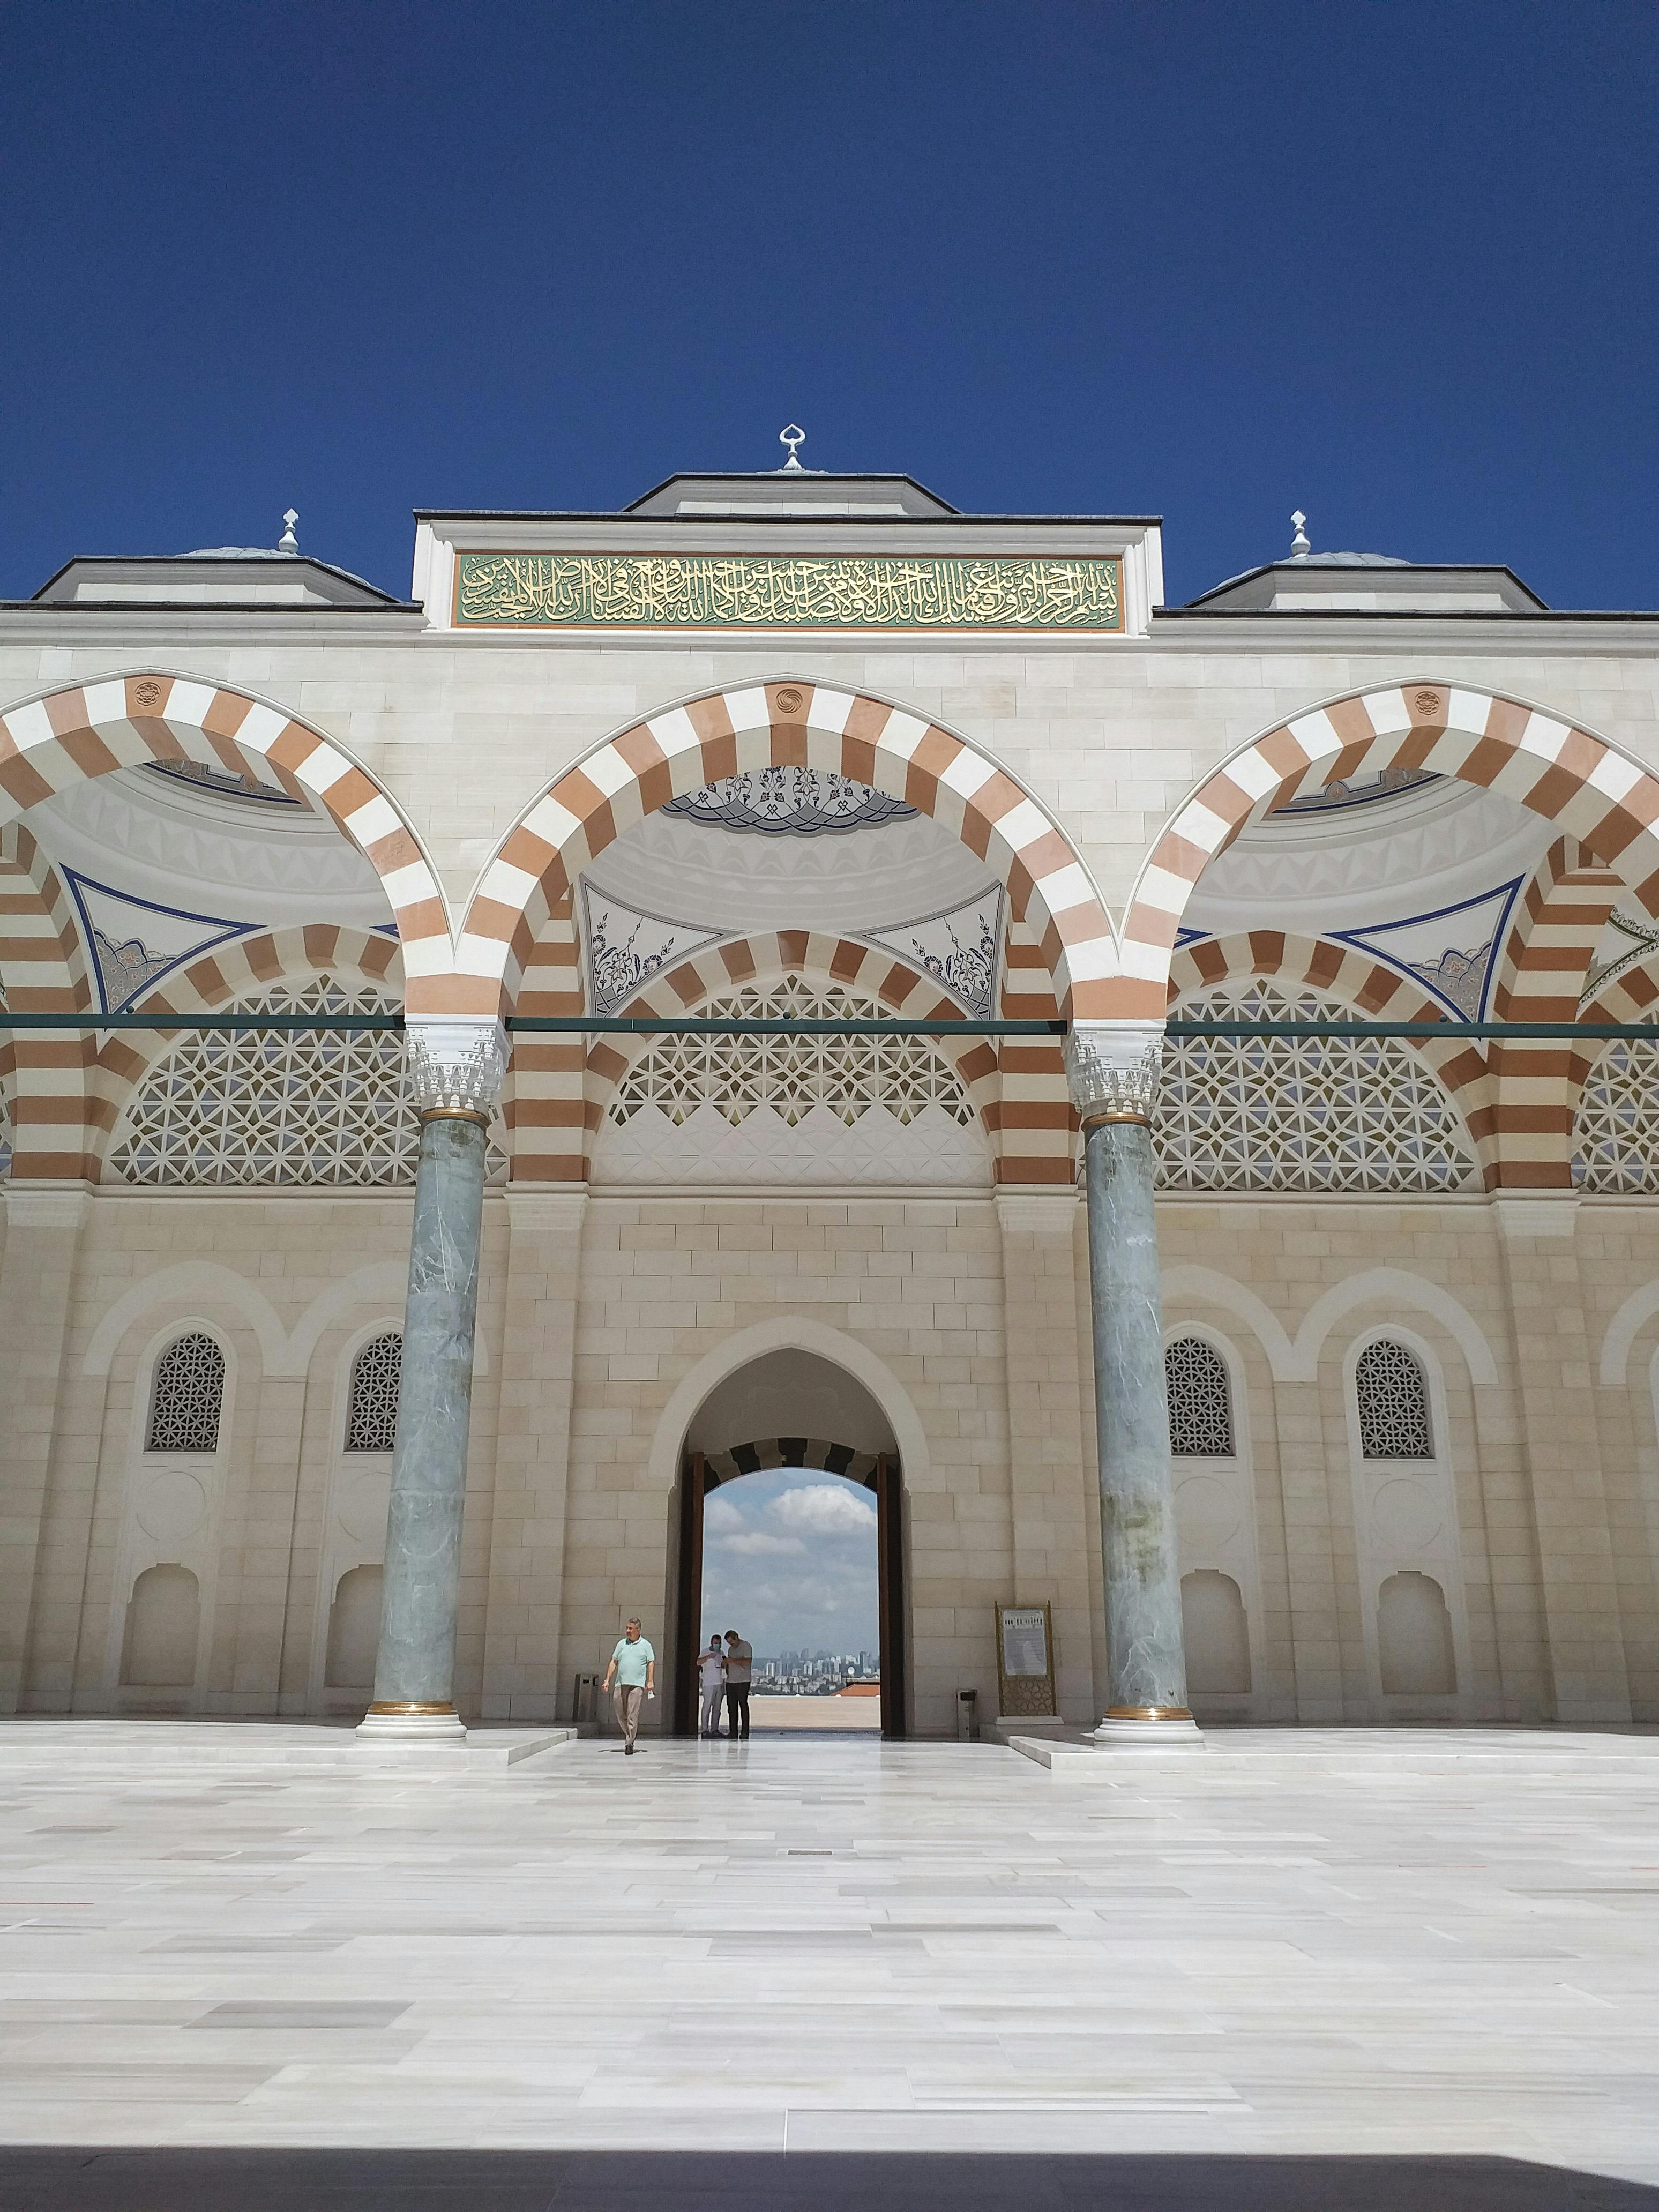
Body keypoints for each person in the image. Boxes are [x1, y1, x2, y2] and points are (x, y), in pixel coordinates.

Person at [602, 1617, 655, 1754]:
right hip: (620, 1683)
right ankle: (628, 1734)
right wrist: (607, 1679)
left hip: (637, 1685)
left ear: (638, 1630)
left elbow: (651, 1662)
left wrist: (650, 1681)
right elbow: (614, 1661)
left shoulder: (646, 1645)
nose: (628, 1631)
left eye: (630, 1629)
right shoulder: (621, 1644)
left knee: (632, 1714)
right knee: (621, 1714)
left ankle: (629, 1742)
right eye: (627, 1628)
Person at [723, 1627, 752, 1740]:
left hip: (743, 1681)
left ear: (737, 1638)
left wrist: (733, 1661)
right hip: (731, 1681)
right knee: (732, 1707)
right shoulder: (731, 1650)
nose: (731, 1644)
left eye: (732, 1642)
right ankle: (733, 1732)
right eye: (729, 1643)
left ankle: (745, 1731)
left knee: (743, 1705)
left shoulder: (746, 1646)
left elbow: (747, 1662)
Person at [698, 1633, 726, 1738]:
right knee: (707, 1706)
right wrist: (708, 1657)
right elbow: (698, 1662)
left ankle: (715, 1729)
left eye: (719, 1643)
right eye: (716, 1643)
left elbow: (723, 1667)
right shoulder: (705, 1652)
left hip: (719, 1683)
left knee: (717, 1708)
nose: (717, 1645)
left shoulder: (721, 1653)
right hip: (708, 1683)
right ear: (711, 1643)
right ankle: (704, 1729)